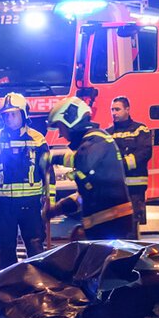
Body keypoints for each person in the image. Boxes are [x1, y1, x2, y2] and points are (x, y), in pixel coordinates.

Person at [47, 97, 136, 241]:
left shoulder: (97, 139)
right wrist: (57, 209)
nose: (61, 134)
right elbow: (85, 194)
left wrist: (54, 158)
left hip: (112, 226)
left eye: (60, 127)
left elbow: (85, 161)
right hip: (103, 227)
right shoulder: (90, 143)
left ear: (71, 120)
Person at [0, 91, 50, 268]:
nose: (9, 118)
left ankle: (38, 286)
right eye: (5, 114)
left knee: (35, 247)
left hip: (31, 204)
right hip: (3, 205)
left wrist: (51, 200)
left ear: (24, 114)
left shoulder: (37, 139)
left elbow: (47, 172)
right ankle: (6, 287)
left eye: (13, 113)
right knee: (5, 247)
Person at [104, 95, 153, 222]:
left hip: (135, 185)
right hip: (115, 186)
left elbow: (145, 152)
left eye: (117, 109)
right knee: (117, 224)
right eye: (112, 110)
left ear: (127, 109)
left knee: (133, 223)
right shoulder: (107, 133)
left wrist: (122, 164)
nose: (114, 113)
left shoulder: (140, 129)